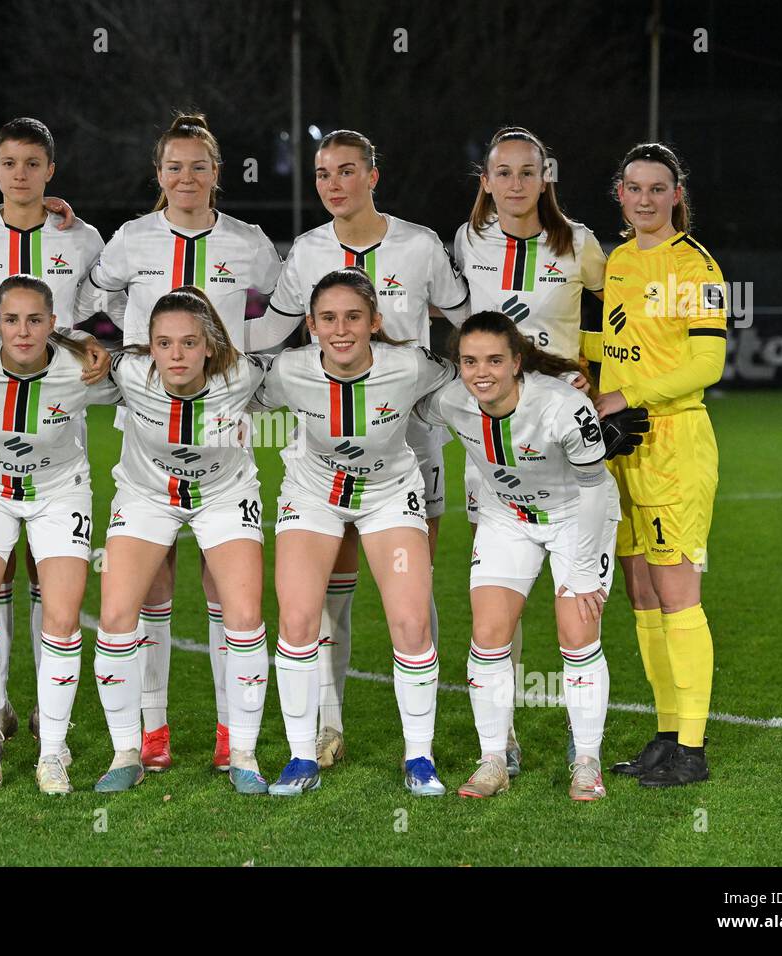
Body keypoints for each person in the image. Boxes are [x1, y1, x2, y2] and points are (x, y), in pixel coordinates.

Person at [244, 129, 470, 771]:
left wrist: (544, 371)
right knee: (326, 593)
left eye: (346, 171)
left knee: (412, 595)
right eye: (322, 174)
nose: (334, 184)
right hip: (325, 452)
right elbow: (268, 332)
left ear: (374, 175)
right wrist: (186, 333)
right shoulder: (309, 251)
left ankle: (463, 734)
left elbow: (465, 319)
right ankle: (326, 725)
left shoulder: (420, 244)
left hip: (412, 440)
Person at [74, 112, 281, 774]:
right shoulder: (130, 239)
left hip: (224, 427)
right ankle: (147, 736)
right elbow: (87, 294)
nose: (186, 178)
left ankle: (234, 742)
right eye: (174, 166)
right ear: (158, 175)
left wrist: (251, 372)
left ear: (217, 174)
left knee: (232, 601)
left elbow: (285, 307)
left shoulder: (250, 243)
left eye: (199, 166)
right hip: (147, 424)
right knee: (143, 595)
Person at [0, 116, 110, 745]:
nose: (21, 174)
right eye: (9, 163)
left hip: (58, 419)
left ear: (50, 170)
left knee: (48, 565)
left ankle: (44, 708)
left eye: (33, 164)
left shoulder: (83, 238)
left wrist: (95, 349)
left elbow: (102, 314)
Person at [256, 268, 458, 797]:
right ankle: (302, 757)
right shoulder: (287, 370)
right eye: (328, 318)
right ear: (310, 324)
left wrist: (555, 382)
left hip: (389, 495)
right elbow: (227, 392)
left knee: (412, 623)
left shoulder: (411, 363)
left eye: (352, 317)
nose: (340, 329)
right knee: (298, 620)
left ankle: (419, 758)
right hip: (312, 495)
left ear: (374, 322)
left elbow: (475, 377)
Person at [452, 126, 607, 777]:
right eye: (503, 172)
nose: (516, 183)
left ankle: (584, 741)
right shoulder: (466, 242)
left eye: (528, 171)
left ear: (547, 176)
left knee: (577, 607)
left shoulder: (582, 244)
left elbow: (610, 318)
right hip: (493, 447)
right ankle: (504, 736)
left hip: (562, 435)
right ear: (486, 180)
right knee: (499, 604)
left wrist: (595, 377)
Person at [417, 311, 619, 800]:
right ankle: (493, 759)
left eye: (493, 360)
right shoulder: (450, 401)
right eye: (468, 361)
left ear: (517, 363)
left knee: (577, 632)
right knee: (487, 634)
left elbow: (593, 490)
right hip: (507, 517)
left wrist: (587, 570)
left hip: (577, 517)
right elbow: (403, 404)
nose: (480, 372)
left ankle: (587, 761)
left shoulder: (563, 407)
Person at [91, 287, 272, 795]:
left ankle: (241, 750)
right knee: (115, 615)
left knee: (244, 616)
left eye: (189, 343)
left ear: (210, 346)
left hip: (225, 496)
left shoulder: (245, 376)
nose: (176, 355)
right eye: (164, 343)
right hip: (146, 496)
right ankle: (129, 749)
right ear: (147, 347)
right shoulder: (128, 374)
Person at [0, 274, 112, 795]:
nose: (22, 331)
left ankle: (53, 751)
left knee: (62, 618)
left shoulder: (83, 370)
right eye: (11, 320)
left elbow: (153, 377)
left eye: (35, 320)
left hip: (60, 493)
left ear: (53, 325)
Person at [593, 143, 727, 788]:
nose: (644, 199)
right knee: (642, 592)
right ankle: (667, 732)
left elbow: (706, 364)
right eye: (633, 187)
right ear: (619, 193)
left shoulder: (693, 268)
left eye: (657, 188)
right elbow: (622, 342)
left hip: (673, 443)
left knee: (677, 594)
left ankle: (693, 752)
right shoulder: (618, 259)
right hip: (623, 446)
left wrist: (624, 395)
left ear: (677, 195)